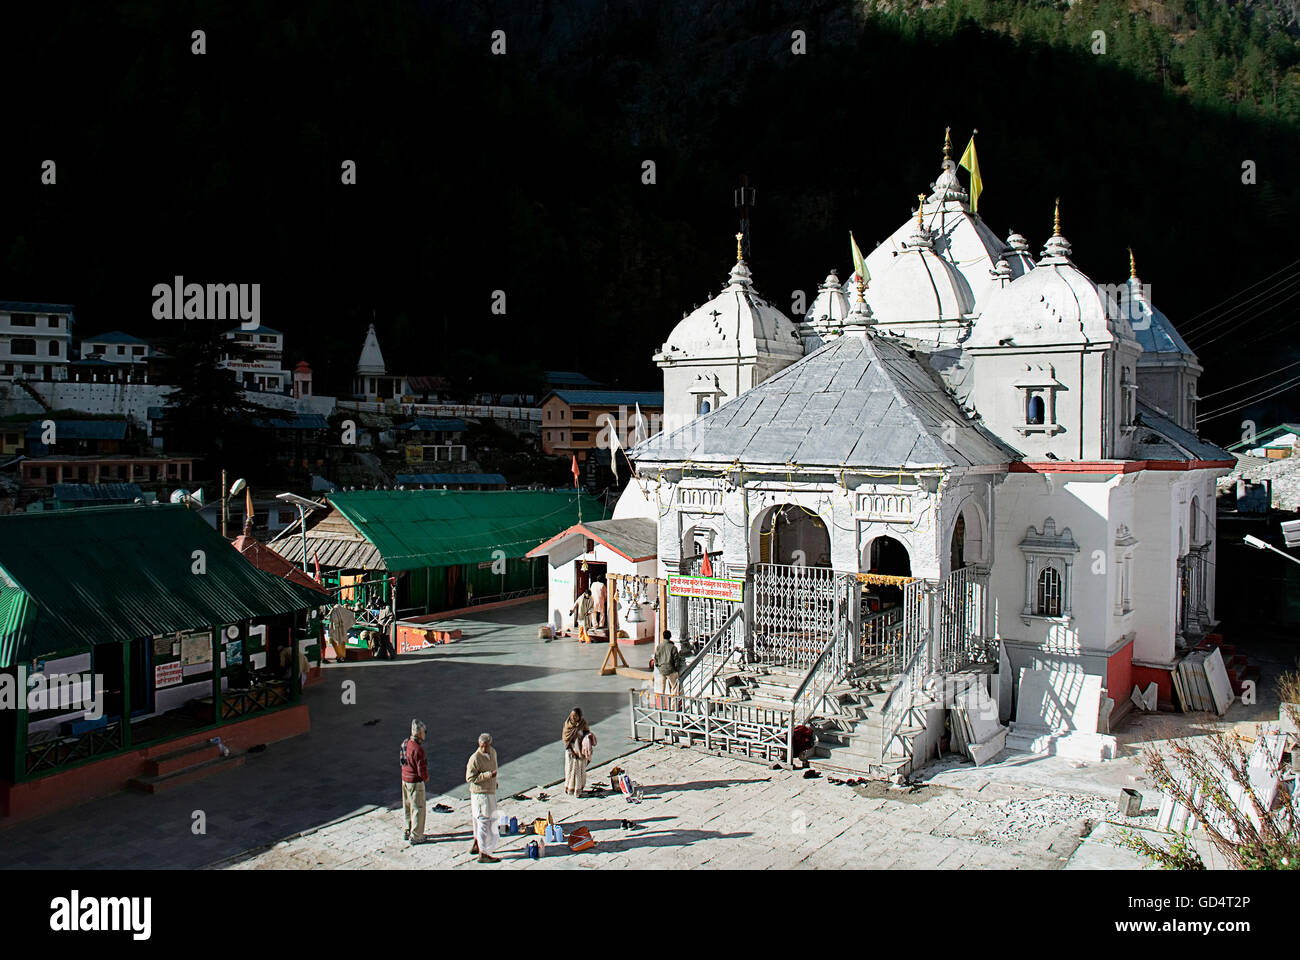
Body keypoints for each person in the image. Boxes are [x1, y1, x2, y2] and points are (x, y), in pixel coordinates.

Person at [465, 732, 501, 863]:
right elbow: (470, 778)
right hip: (480, 794)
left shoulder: (493, 753)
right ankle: (483, 852)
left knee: (484, 820)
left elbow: (494, 767)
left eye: (486, 745)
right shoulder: (475, 758)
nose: (484, 748)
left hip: (490, 791)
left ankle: (477, 844)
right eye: (482, 746)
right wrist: (488, 775)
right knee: (483, 821)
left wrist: (493, 780)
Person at [401, 719, 429, 845]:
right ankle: (417, 835)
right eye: (424, 732)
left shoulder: (405, 743)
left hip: (404, 779)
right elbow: (421, 770)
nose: (425, 734)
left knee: (407, 806)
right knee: (418, 807)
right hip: (415, 782)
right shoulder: (418, 750)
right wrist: (426, 778)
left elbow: (402, 761)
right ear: (419, 733)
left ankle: (407, 829)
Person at [562, 707, 592, 796]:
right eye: (572, 716)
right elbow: (566, 739)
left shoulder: (583, 723)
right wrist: (572, 750)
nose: (574, 718)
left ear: (580, 716)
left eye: (576, 716)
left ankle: (578, 790)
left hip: (580, 751)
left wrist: (587, 739)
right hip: (571, 752)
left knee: (579, 771)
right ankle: (570, 789)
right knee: (570, 771)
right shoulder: (567, 724)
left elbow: (587, 732)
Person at [653, 630, 682, 701]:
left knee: (661, 690)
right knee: (674, 688)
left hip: (661, 670)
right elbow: (676, 660)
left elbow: (656, 658)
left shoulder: (659, 646)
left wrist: (659, 667)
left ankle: (661, 705)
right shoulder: (673, 647)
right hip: (671, 670)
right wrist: (676, 669)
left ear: (663, 636)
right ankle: (673, 707)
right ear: (670, 637)